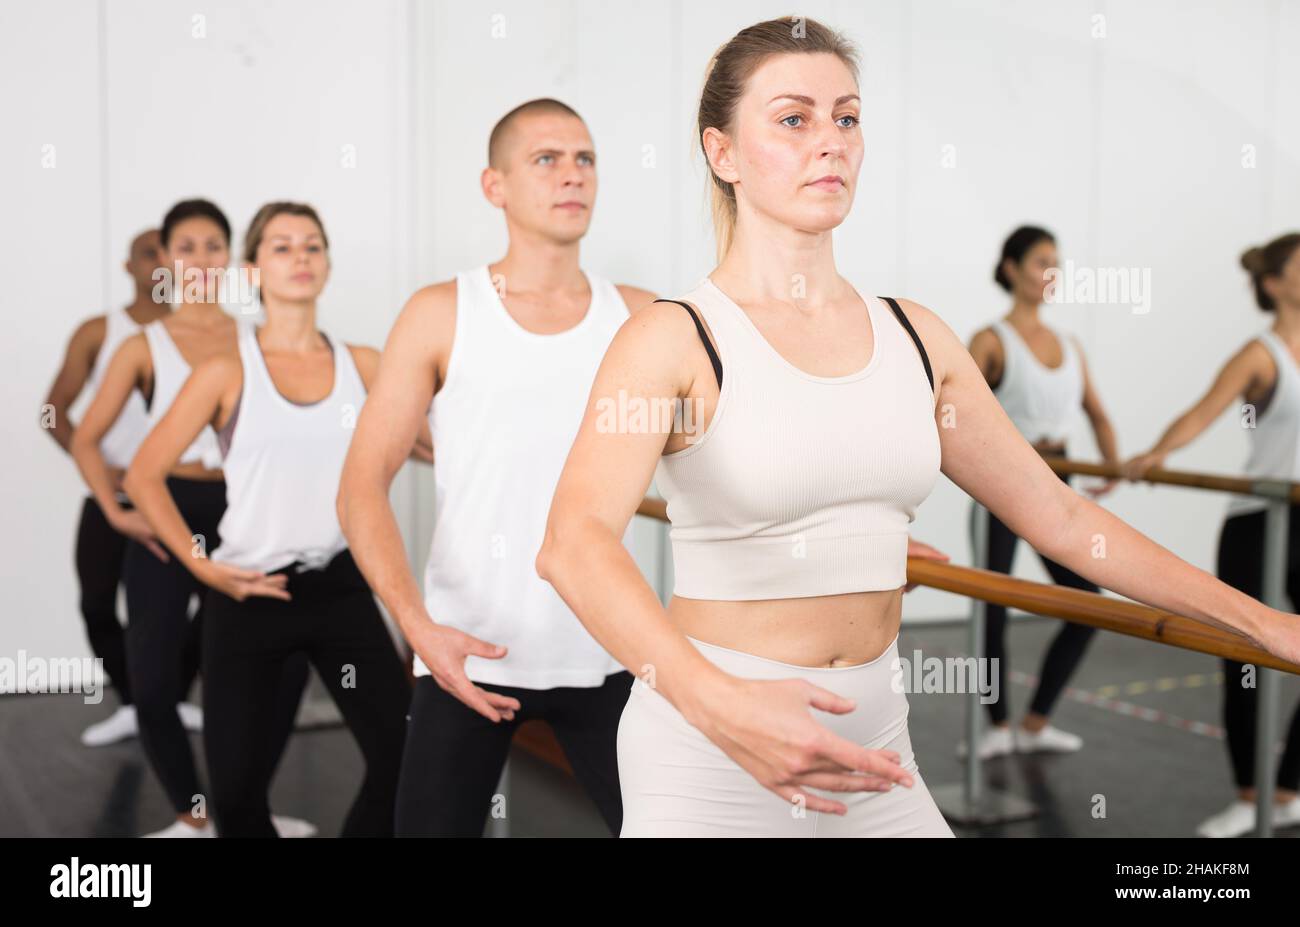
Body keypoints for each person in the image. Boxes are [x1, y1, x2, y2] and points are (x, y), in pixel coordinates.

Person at [534, 16, 1300, 837]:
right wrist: (719, 705)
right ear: (722, 153)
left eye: (848, 117)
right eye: (794, 119)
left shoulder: (916, 337)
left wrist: (1263, 622)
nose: (830, 141)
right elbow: (574, 542)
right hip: (712, 759)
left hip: (876, 755)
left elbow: (1064, 517)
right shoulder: (674, 336)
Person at [337, 98, 658, 836]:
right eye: (546, 159)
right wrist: (418, 628)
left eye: (585, 159)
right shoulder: (440, 312)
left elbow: (729, 452)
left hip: (610, 651)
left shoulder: (641, 317)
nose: (572, 175)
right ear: (496, 186)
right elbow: (360, 488)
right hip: (466, 655)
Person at [125, 202, 423, 836]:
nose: (300, 258)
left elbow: (436, 445)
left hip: (340, 585)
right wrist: (203, 567)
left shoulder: (366, 365)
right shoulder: (225, 371)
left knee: (403, 758)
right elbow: (143, 476)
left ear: (328, 264)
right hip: (249, 593)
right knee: (236, 794)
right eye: (282, 247)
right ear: (253, 268)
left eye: (312, 246)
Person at [69, 199, 310, 838]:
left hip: (246, 508)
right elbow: (86, 438)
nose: (200, 260)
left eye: (212, 246)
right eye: (186, 248)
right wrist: (120, 518)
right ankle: (192, 817)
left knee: (278, 666)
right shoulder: (139, 346)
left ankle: (245, 811)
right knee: (152, 679)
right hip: (167, 503)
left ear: (230, 256)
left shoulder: (261, 335)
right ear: (166, 260)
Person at [1123, 232, 1300, 837]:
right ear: (1274, 284)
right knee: (1246, 656)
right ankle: (1249, 794)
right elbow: (1204, 411)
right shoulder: (1262, 354)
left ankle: (1286, 789)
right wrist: (1156, 454)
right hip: (1260, 520)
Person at [960, 225, 1121, 759]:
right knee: (994, 607)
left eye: (1057, 262)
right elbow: (950, 409)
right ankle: (997, 725)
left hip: (1057, 483)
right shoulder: (991, 340)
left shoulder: (1069, 346)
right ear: (1011, 269)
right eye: (1039, 262)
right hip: (1002, 485)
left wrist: (1115, 464)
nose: (1050, 273)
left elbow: (1097, 412)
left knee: (1086, 604)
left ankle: (1033, 723)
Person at [42, 229, 169, 746]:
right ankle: (136, 704)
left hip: (180, 497)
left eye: (170, 252)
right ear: (127, 266)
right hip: (112, 496)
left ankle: (170, 700)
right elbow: (52, 412)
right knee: (97, 602)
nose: (160, 264)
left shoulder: (203, 332)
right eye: (149, 254)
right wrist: (101, 470)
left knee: (203, 605)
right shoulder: (100, 331)